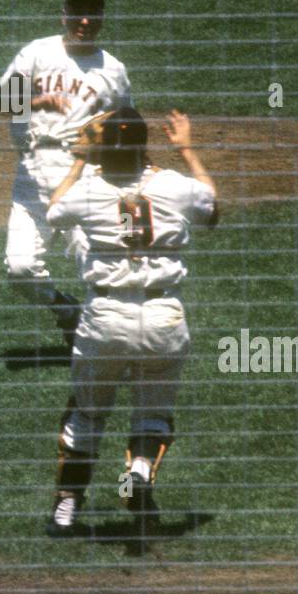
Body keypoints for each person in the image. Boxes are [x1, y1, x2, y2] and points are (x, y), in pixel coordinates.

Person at [43, 108, 217, 537]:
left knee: (87, 412)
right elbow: (212, 208)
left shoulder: (87, 191)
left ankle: (66, 509)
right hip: (163, 317)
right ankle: (138, 472)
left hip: (105, 318)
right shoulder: (174, 186)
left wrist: (80, 158)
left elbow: (53, 212)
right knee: (153, 412)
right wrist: (186, 149)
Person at [0, 0, 133, 348]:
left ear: (101, 18)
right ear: (64, 15)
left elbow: (128, 125)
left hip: (84, 176)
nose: (84, 21)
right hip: (33, 174)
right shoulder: (36, 53)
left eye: (92, 13)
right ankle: (65, 309)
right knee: (20, 269)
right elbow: (1, 100)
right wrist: (38, 102)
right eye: (77, 12)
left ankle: (105, 340)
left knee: (100, 268)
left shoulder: (113, 70)